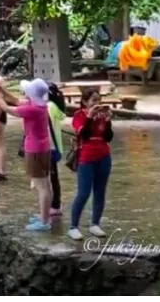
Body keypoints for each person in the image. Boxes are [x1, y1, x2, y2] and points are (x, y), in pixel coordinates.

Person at [0, 78, 53, 231]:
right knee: (44, 184)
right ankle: (44, 215)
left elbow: (7, 108)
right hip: (42, 148)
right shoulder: (39, 105)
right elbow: (16, 101)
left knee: (41, 186)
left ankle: (44, 222)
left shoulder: (33, 109)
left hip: (35, 149)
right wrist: (1, 90)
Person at [68, 87, 114, 240]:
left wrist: (108, 121)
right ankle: (73, 226)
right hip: (86, 157)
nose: (97, 103)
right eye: (94, 100)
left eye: (99, 99)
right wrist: (89, 117)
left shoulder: (102, 115)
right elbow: (85, 135)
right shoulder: (79, 116)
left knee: (100, 191)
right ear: (84, 101)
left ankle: (95, 224)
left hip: (104, 156)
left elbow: (108, 137)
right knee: (84, 193)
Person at [46, 83, 66, 220]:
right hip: (55, 146)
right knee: (53, 177)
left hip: (50, 146)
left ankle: (55, 205)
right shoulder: (55, 107)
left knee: (51, 178)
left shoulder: (48, 107)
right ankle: (55, 204)